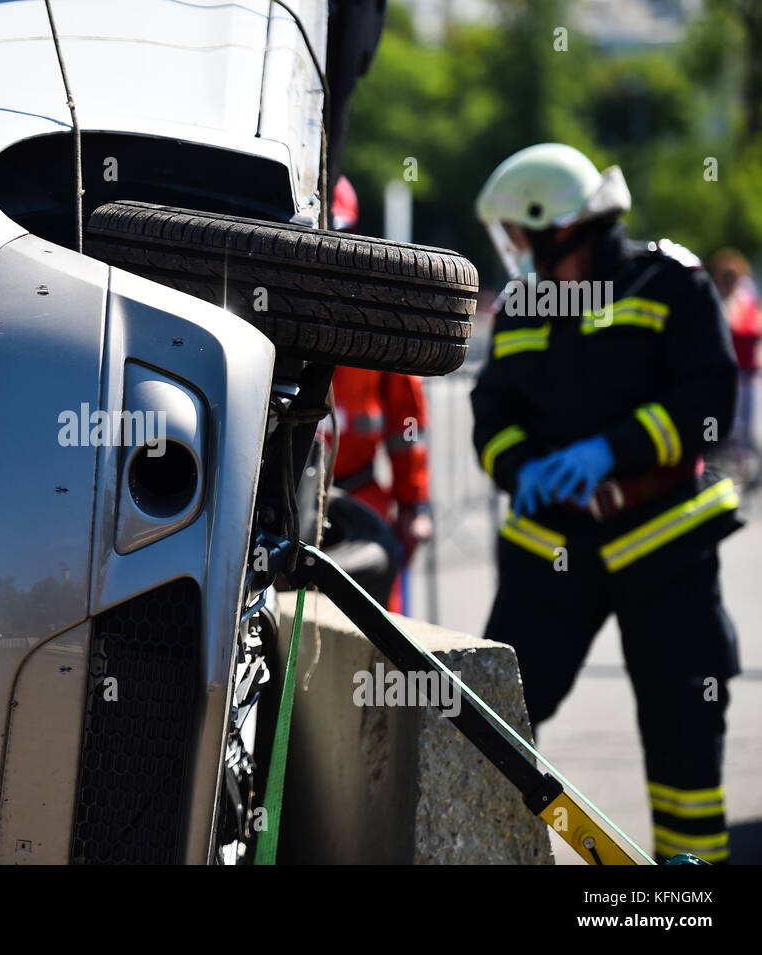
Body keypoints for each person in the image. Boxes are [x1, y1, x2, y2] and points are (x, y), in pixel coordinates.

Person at [471, 143, 742, 863]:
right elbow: (490, 414)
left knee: (687, 733)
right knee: (494, 718)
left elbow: (709, 401)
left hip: (665, 544)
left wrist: (609, 451)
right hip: (551, 550)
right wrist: (522, 467)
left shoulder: (671, 285)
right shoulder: (524, 304)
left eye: (521, 234)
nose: (516, 251)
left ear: (558, 224)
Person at [322, 176, 433, 611]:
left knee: (374, 638)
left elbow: (408, 428)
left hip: (361, 504)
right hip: (274, 506)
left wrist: (413, 506)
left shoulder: (377, 317)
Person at [708, 248, 759, 470]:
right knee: (726, 426)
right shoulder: (717, 302)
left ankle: (746, 467)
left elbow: (753, 327)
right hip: (727, 372)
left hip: (748, 371)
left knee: (746, 427)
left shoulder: (745, 300)